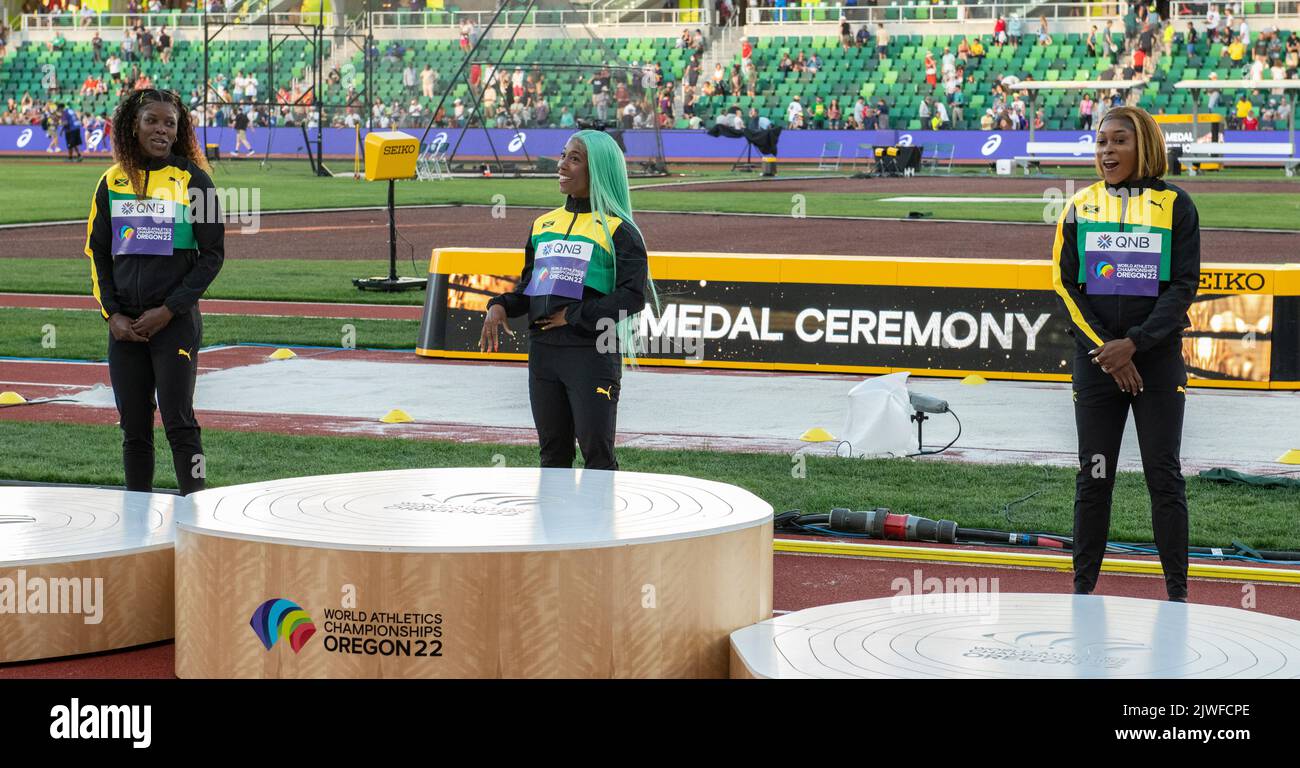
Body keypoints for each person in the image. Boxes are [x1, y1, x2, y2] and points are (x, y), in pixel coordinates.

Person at [1050, 106, 1200, 603]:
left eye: (1119, 141)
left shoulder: (1176, 205)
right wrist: (1106, 351)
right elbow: (1066, 285)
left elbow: (1181, 288)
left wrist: (1132, 345)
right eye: (1101, 143)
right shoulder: (1079, 206)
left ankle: (1177, 594)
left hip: (1153, 363)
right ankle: (1082, 591)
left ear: (1145, 146)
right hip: (1097, 366)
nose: (1107, 151)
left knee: (1164, 476)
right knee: (1094, 476)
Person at [479, 131, 651, 471]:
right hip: (544, 354)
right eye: (563, 156)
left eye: (574, 159)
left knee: (597, 457)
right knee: (553, 456)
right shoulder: (543, 224)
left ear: (598, 170)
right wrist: (499, 305)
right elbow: (530, 287)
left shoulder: (619, 230)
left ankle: (600, 526)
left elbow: (632, 297)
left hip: (592, 355)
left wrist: (573, 316)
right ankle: (554, 526)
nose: (562, 165)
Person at [83, 88, 224, 495]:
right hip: (126, 328)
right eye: (152, 121)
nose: (161, 130)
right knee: (134, 428)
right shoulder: (111, 182)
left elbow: (212, 256)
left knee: (179, 422)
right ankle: (136, 513)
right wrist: (113, 315)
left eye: (170, 123)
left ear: (179, 132)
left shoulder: (194, 180)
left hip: (173, 325)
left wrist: (169, 310)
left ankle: (195, 506)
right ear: (133, 125)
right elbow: (99, 254)